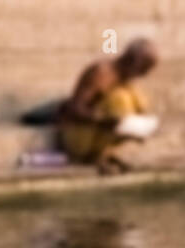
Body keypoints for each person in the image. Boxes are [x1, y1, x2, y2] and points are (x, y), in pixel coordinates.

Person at [57, 38, 159, 174]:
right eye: (142, 70)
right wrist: (104, 121)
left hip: (97, 137)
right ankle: (94, 156)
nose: (142, 75)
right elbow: (75, 109)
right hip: (76, 137)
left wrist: (139, 129)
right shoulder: (101, 73)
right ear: (131, 61)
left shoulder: (127, 82)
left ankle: (103, 155)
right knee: (120, 99)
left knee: (136, 99)